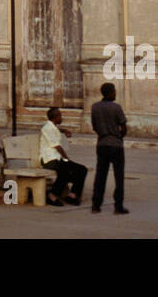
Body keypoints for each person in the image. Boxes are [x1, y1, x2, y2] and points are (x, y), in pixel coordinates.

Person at [90, 82, 129, 214]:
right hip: (115, 144)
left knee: (100, 175)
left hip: (102, 144)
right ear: (111, 92)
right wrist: (119, 136)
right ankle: (118, 206)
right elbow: (123, 127)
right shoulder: (116, 107)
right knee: (119, 176)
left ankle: (96, 205)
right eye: (114, 91)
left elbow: (94, 126)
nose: (115, 93)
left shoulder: (94, 107)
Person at [38, 106, 87, 207]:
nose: (61, 117)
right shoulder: (47, 128)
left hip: (56, 159)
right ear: (55, 117)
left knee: (82, 169)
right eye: (60, 115)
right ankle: (52, 196)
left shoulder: (52, 127)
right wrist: (67, 159)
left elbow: (55, 129)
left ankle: (72, 195)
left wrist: (64, 130)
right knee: (65, 171)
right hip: (49, 160)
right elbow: (58, 147)